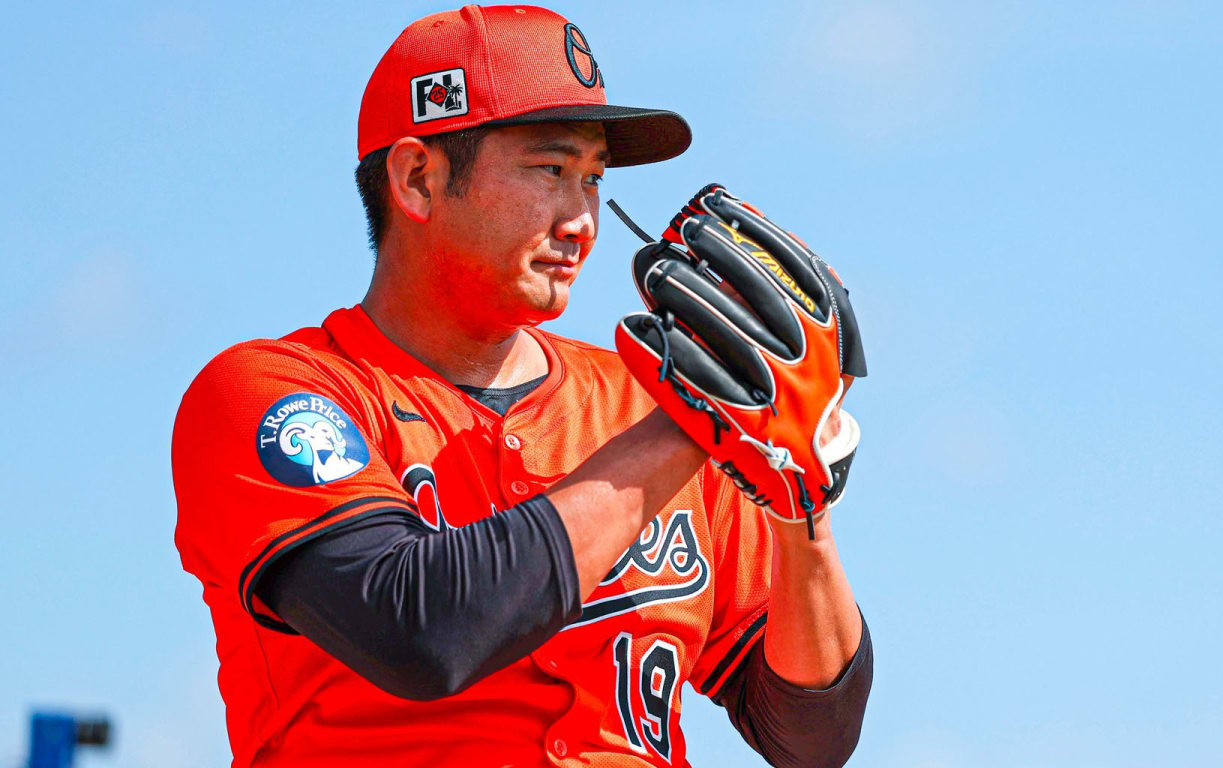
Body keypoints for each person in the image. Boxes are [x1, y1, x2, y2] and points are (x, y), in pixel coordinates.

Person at [171, 5, 872, 767]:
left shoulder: (641, 404)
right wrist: (692, 420)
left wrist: (802, 510)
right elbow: (420, 633)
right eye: (551, 170)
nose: (582, 220)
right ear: (418, 179)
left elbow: (809, 739)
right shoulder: (276, 392)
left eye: (593, 179)